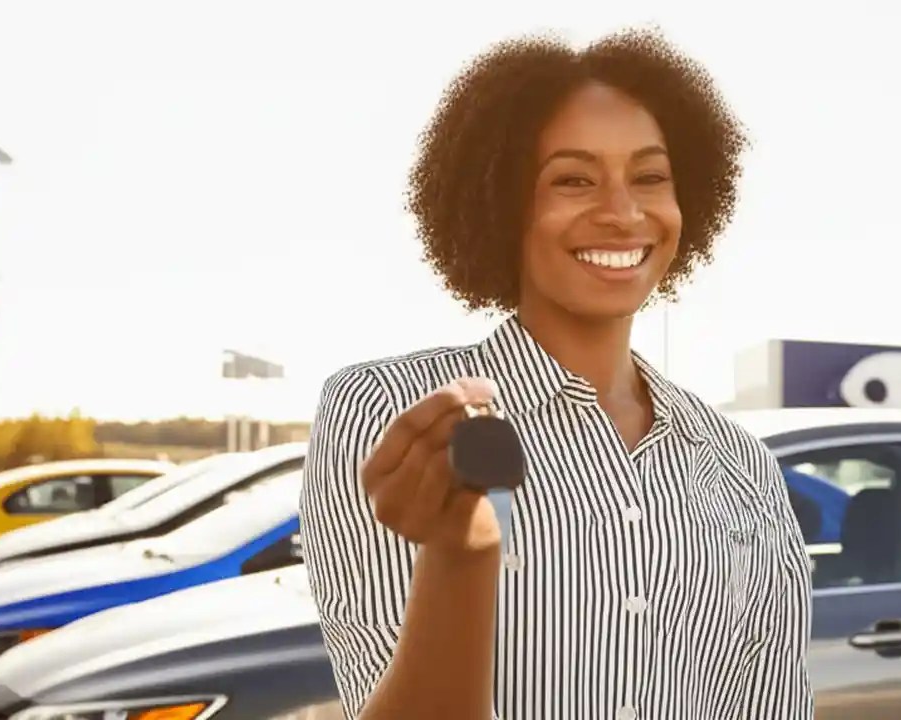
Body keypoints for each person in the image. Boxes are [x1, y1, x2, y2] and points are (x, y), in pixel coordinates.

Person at [299, 27, 814, 720]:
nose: (623, 213)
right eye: (572, 179)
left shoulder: (740, 466)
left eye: (650, 177)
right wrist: (464, 556)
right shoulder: (390, 411)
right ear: (501, 203)